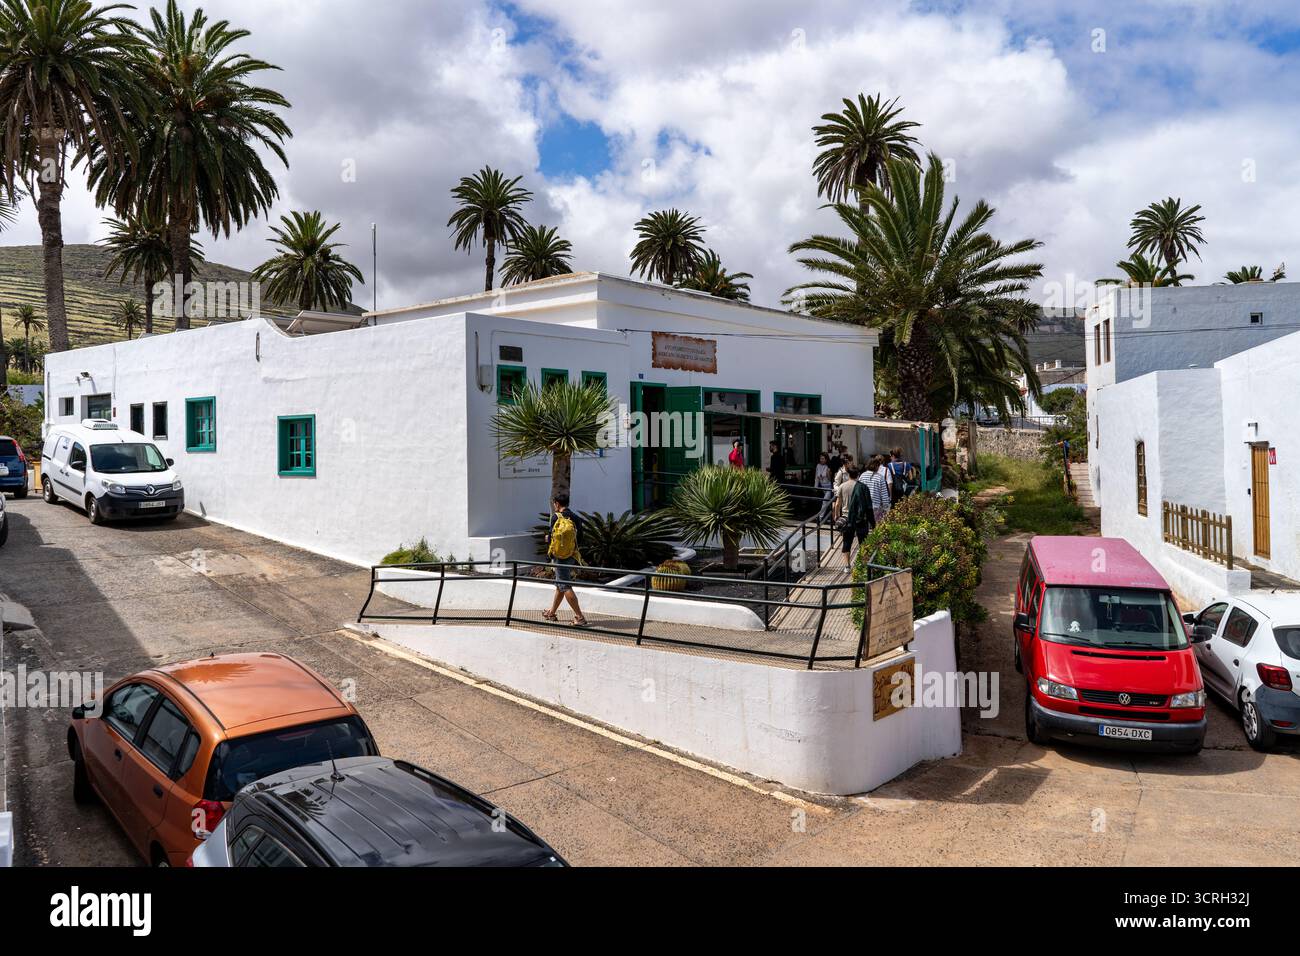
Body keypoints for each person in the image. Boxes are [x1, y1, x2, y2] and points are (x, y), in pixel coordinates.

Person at [542, 493, 588, 627]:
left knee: (565, 586)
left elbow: (551, 537)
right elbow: (581, 537)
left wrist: (548, 542)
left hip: (559, 557)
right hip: (571, 555)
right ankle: (551, 613)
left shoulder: (556, 517)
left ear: (556, 503)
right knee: (560, 585)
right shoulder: (575, 517)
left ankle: (580, 617)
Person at [841, 465, 875, 567]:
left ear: (848, 475)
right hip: (861, 519)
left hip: (847, 519)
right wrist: (873, 523)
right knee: (863, 543)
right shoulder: (863, 487)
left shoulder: (843, 486)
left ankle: (847, 566)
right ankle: (864, 566)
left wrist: (837, 517)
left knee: (846, 542)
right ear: (858, 475)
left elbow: (838, 503)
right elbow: (869, 507)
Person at [861, 454, 891, 524]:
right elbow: (884, 495)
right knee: (877, 528)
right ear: (876, 466)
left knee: (866, 527)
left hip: (864, 506)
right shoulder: (880, 478)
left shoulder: (862, 476)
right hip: (876, 507)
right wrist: (886, 507)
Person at [814, 452, 834, 520]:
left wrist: (828, 473)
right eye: (820, 458)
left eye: (823, 458)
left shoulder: (828, 466)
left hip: (828, 487)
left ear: (826, 459)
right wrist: (815, 486)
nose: (821, 460)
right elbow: (816, 477)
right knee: (827, 503)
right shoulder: (818, 466)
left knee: (824, 501)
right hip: (822, 487)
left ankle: (820, 517)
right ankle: (829, 517)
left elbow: (830, 479)